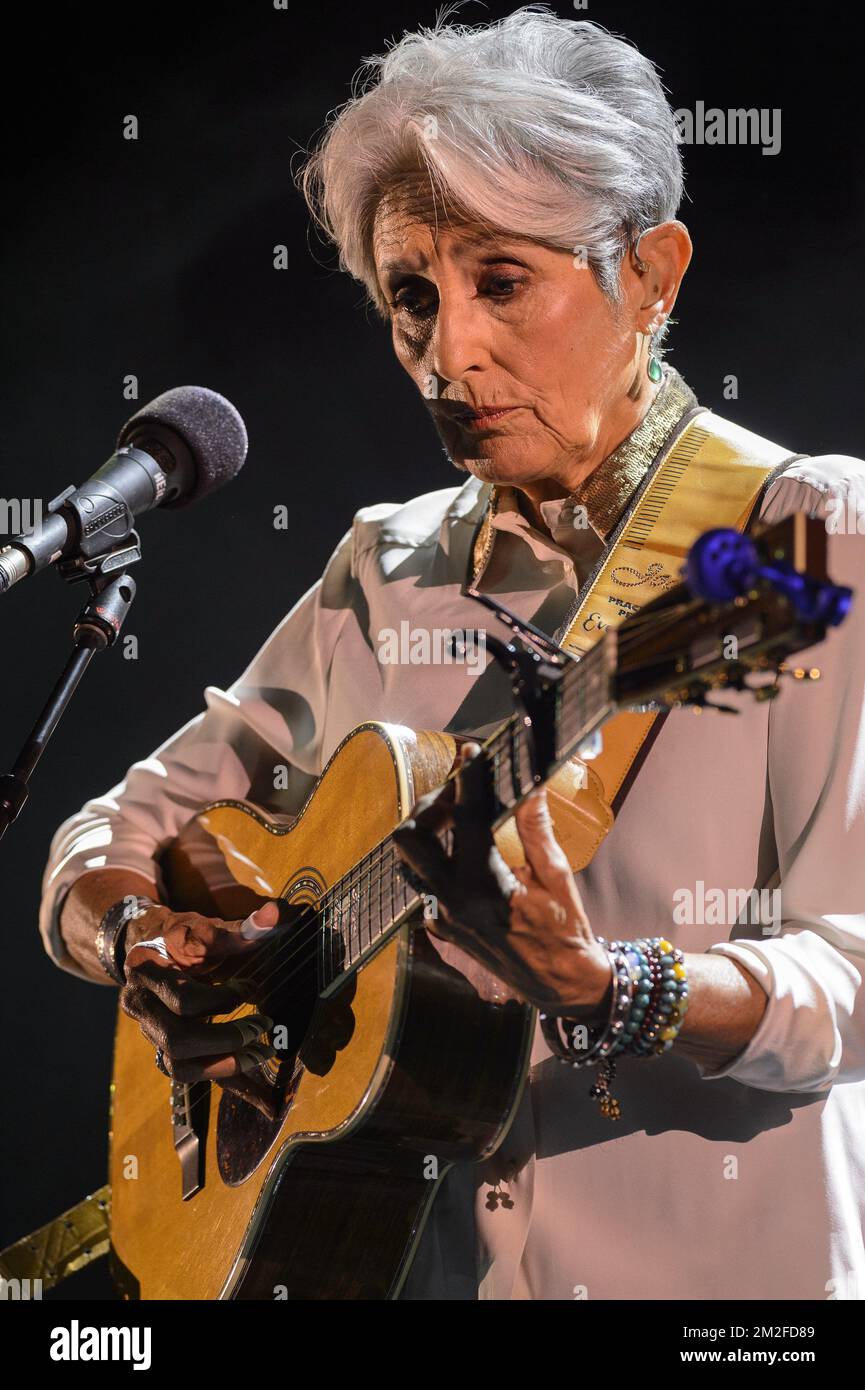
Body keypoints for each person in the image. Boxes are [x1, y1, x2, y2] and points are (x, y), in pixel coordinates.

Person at [40, 9, 865, 1300]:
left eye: (500, 282)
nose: (449, 354)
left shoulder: (804, 535)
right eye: (411, 297)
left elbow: (855, 972)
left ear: (649, 275)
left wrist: (614, 985)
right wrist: (138, 933)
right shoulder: (384, 570)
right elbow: (114, 827)